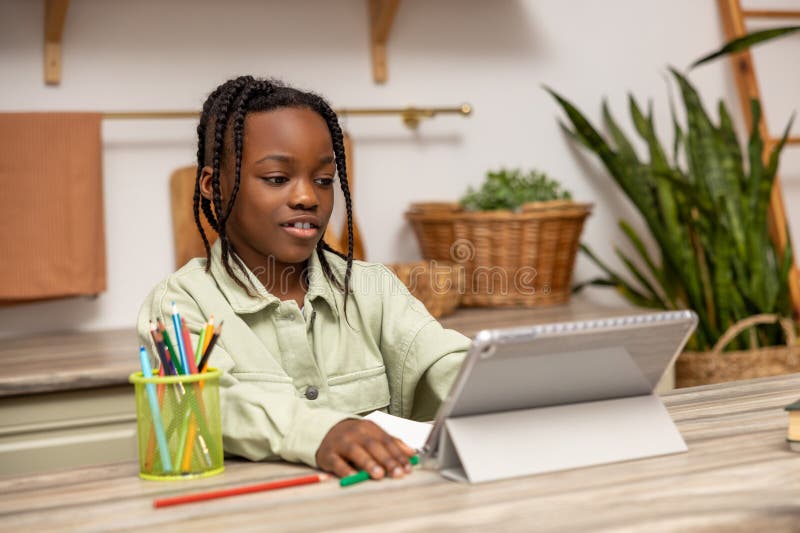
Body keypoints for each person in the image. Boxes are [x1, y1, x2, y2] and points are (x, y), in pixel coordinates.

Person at [137, 76, 469, 480]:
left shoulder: (372, 289)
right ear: (213, 185)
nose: (307, 197)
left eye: (324, 181)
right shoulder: (179, 305)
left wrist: (493, 381)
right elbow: (214, 405)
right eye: (277, 179)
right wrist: (320, 431)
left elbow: (444, 363)